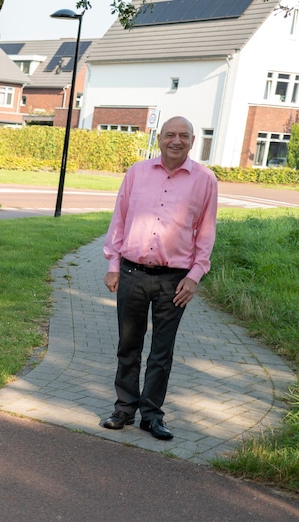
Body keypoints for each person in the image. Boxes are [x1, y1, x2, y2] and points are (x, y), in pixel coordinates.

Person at [100, 116, 218, 441]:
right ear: (160, 138)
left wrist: (195, 276)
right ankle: (124, 409)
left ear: (192, 141)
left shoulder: (205, 180)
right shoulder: (136, 173)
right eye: (170, 134)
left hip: (175, 280)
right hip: (131, 273)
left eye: (183, 135)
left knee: (161, 352)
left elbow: (206, 232)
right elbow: (119, 219)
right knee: (128, 345)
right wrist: (113, 264)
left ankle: (151, 415)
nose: (176, 141)